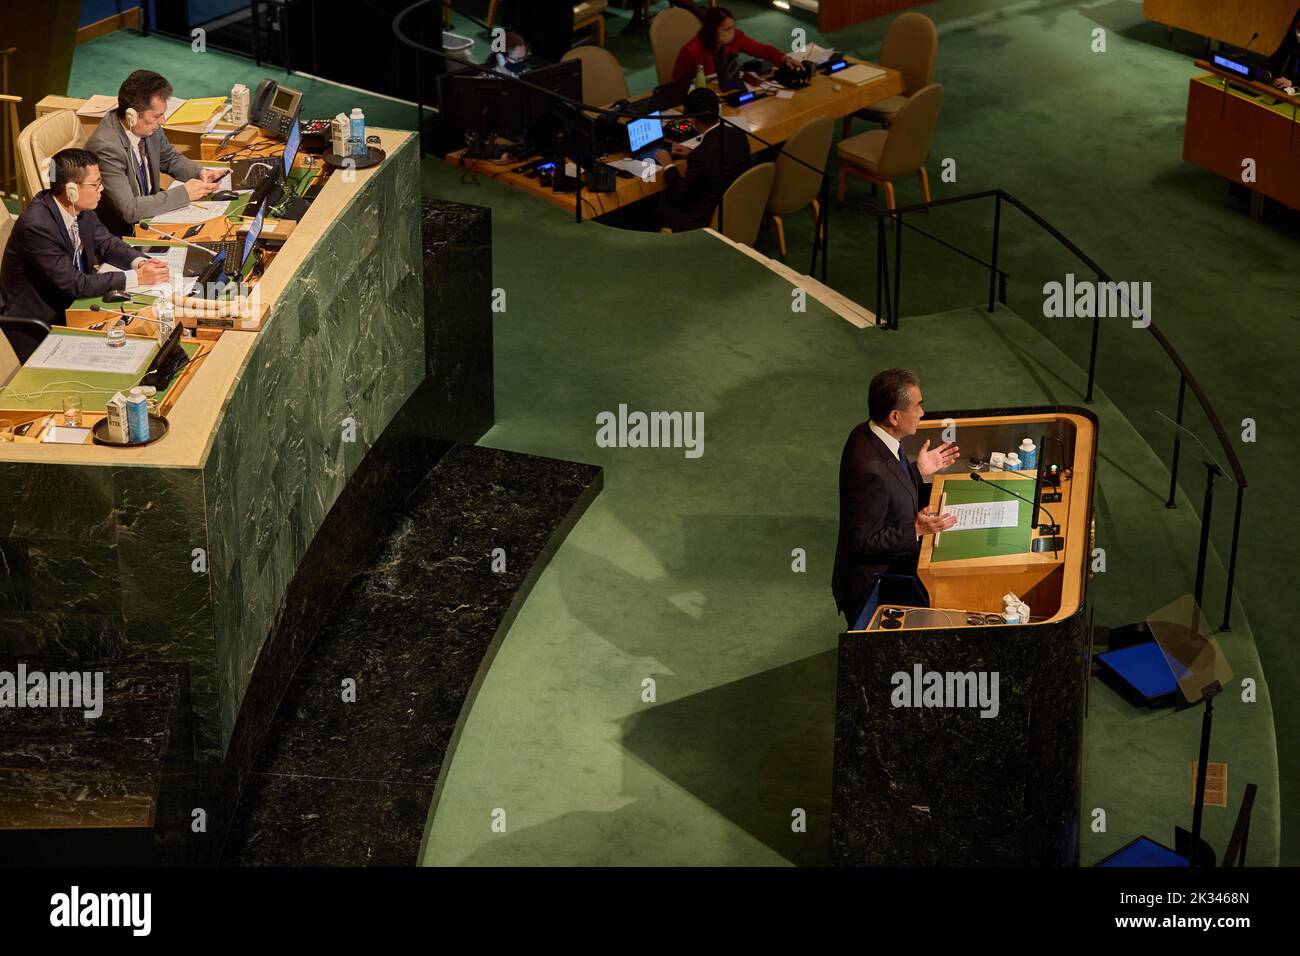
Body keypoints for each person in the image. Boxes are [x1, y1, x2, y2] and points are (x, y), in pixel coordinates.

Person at [831, 368, 962, 624]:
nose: (922, 413)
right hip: (875, 589)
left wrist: (918, 470)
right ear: (894, 416)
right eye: (917, 406)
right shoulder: (870, 470)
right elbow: (862, 542)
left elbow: (891, 490)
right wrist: (914, 528)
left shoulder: (868, 433)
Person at [0, 148, 170, 325]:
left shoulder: (77, 207)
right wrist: (138, 277)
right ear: (71, 189)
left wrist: (141, 263)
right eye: (95, 184)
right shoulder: (37, 226)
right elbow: (75, 284)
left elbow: (107, 242)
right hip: (41, 320)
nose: (101, 189)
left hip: (74, 303)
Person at [85, 70, 228, 236]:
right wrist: (185, 193)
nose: (163, 121)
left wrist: (199, 173)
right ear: (132, 116)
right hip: (123, 233)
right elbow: (129, 209)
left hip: (152, 214)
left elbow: (169, 158)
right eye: (157, 116)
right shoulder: (106, 147)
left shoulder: (148, 128)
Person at [653, 87, 751, 233]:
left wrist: (669, 165)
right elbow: (716, 159)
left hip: (704, 219)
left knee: (654, 211)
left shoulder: (702, 155)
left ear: (692, 120)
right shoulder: (738, 134)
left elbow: (682, 195)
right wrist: (693, 153)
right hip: (736, 208)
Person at [671, 6, 801, 84]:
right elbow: (678, 83)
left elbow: (761, 49)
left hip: (727, 87)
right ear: (711, 31)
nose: (732, 33)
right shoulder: (691, 50)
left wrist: (785, 58)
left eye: (733, 27)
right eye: (726, 29)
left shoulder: (737, 37)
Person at [1264, 9, 1300, 90]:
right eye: (1298, 28)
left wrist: (1292, 83)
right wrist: (1268, 72)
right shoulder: (1290, 41)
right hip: (1280, 89)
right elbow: (1274, 60)